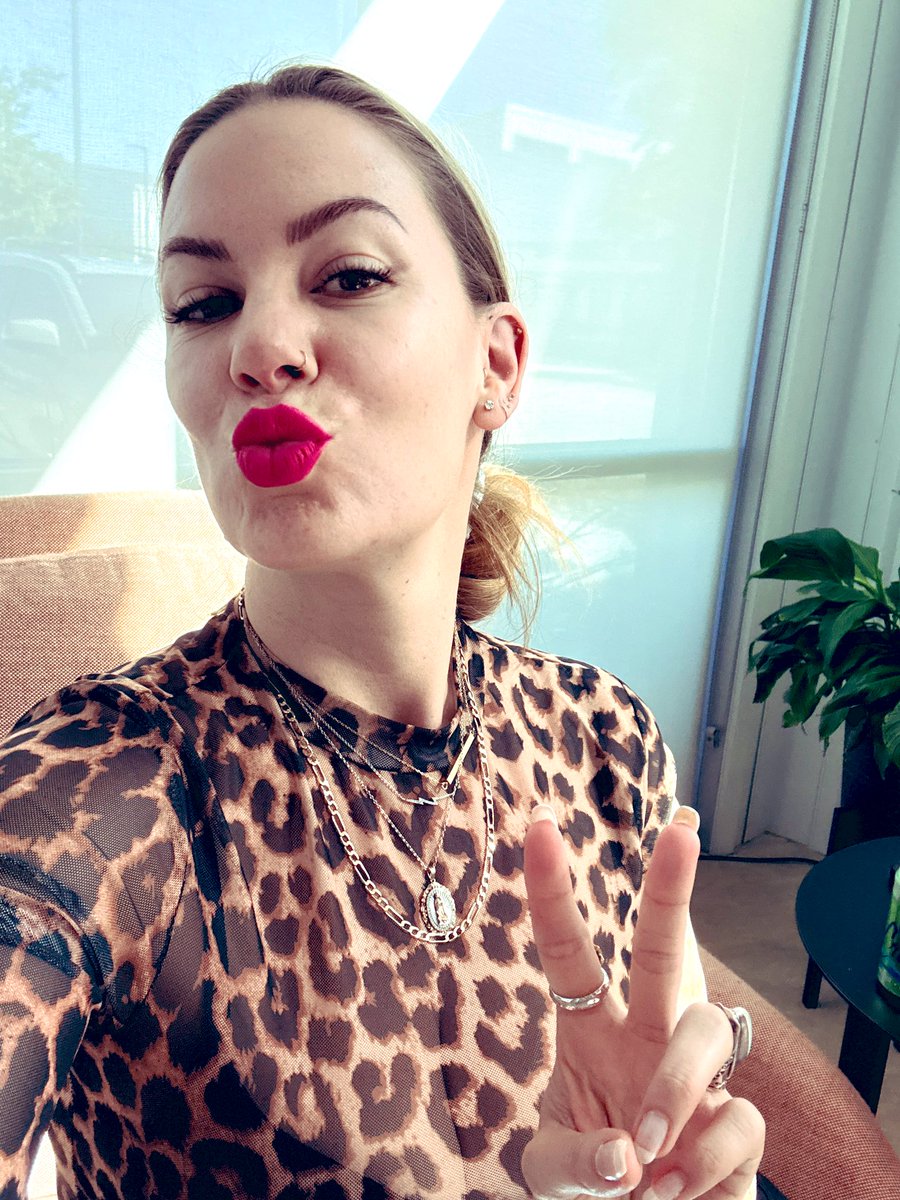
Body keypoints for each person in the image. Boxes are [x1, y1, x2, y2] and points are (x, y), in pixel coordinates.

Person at [0, 64, 772, 1200]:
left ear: (496, 363)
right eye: (203, 303)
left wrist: (687, 1175)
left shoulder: (603, 736)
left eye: (349, 276)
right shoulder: (106, 785)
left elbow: (673, 1060)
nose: (259, 345)